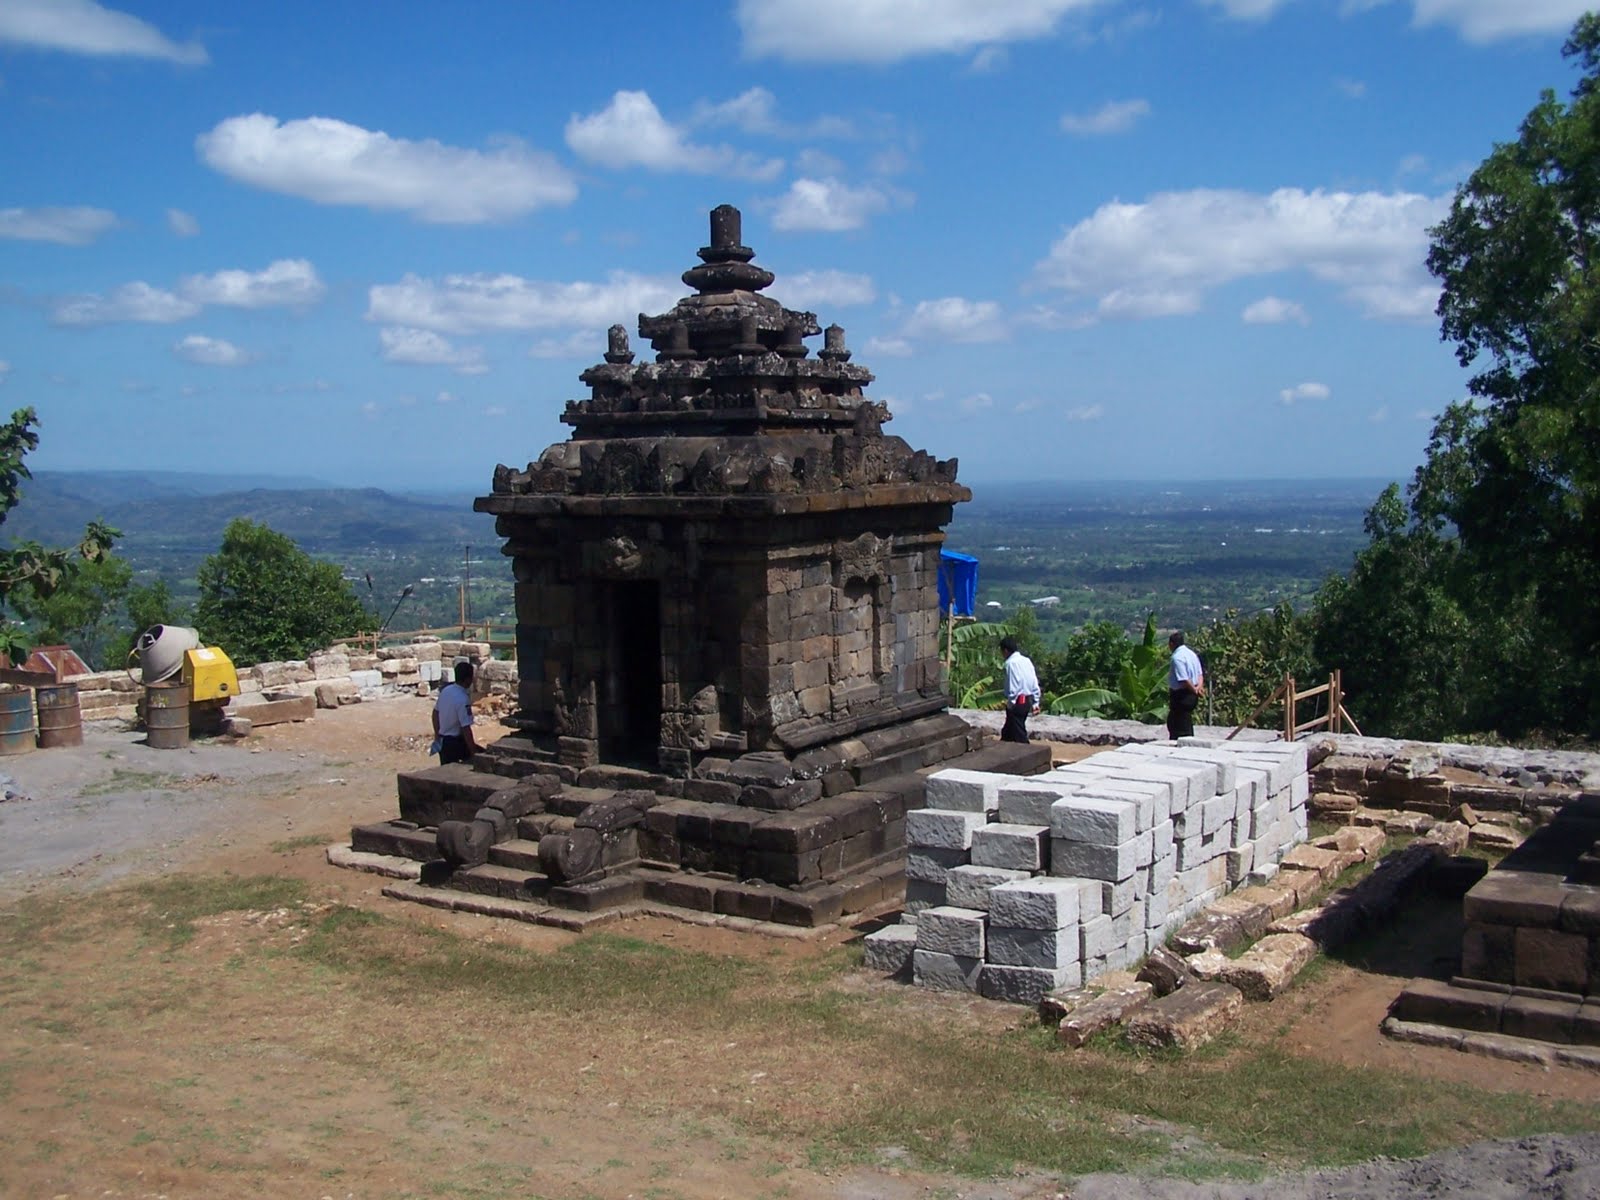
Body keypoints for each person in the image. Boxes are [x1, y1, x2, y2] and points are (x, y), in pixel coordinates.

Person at [432, 660, 479, 765]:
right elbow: (465, 729)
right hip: (454, 743)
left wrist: (437, 735)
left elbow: (435, 713)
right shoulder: (463, 698)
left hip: (443, 741)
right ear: (468, 679)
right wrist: (474, 753)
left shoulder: (446, 691)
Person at [999, 635, 1040, 743]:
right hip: (1027, 700)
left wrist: (1011, 702)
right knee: (1008, 731)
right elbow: (1034, 681)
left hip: (1017, 701)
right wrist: (1036, 702)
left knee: (1019, 732)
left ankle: (1029, 754)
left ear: (1006, 651)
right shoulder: (1026, 661)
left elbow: (1013, 684)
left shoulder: (1010, 664)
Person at [1167, 631, 1205, 740]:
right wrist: (1199, 688)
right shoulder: (1192, 654)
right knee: (1184, 720)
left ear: (1172, 644)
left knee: (1178, 724)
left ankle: (1181, 743)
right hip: (1192, 692)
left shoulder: (1177, 658)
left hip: (1182, 694)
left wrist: (1194, 690)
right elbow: (1200, 674)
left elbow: (1184, 679)